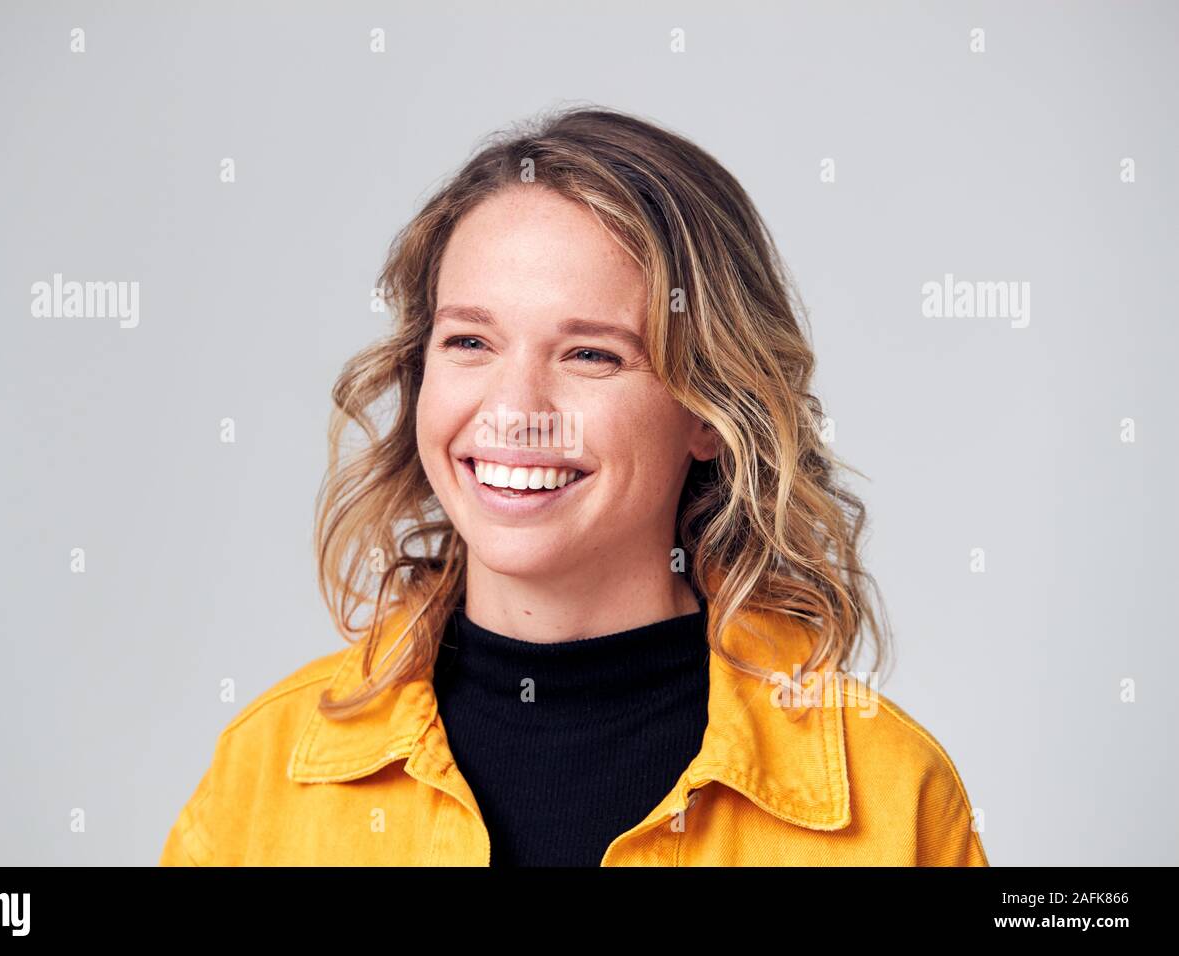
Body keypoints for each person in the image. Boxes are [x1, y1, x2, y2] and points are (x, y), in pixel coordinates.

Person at [160, 105, 988, 867]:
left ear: (710, 409)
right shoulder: (265, 776)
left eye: (593, 354)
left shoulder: (889, 799)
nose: (516, 413)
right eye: (470, 341)